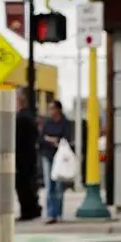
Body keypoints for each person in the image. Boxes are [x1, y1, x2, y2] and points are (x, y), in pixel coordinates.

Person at [39, 99, 74, 223]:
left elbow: (66, 139)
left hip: (60, 158)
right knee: (49, 186)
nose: (50, 111)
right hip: (47, 156)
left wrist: (54, 140)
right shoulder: (47, 123)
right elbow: (42, 139)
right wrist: (52, 140)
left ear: (58, 109)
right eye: (50, 108)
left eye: (52, 108)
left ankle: (58, 213)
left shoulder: (65, 123)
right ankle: (50, 214)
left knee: (59, 186)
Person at [14, 90, 41, 221]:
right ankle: (33, 208)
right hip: (30, 156)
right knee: (30, 184)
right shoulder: (30, 118)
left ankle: (27, 211)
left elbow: (17, 139)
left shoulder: (20, 119)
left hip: (21, 157)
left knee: (22, 186)